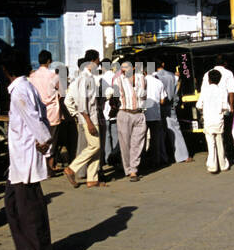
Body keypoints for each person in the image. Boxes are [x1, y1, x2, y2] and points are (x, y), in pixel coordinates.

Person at [2, 55, 54, 250]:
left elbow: (35, 118)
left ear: (6, 70)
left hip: (27, 160)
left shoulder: (21, 91)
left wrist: (45, 143)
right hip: (18, 161)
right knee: (12, 204)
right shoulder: (22, 88)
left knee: (31, 211)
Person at [63, 50, 104, 188]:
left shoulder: (90, 77)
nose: (99, 63)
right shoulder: (84, 78)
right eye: (98, 60)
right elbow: (82, 103)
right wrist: (88, 121)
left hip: (93, 117)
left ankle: (92, 179)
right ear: (93, 60)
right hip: (89, 118)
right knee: (94, 146)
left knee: (96, 148)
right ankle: (71, 168)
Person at [28, 49, 65, 173]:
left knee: (39, 138)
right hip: (52, 112)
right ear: (49, 61)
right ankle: (50, 165)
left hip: (37, 112)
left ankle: (41, 166)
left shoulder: (32, 77)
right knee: (52, 139)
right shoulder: (53, 76)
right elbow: (62, 93)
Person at [112, 59, 146, 182]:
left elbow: (144, 94)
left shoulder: (141, 78)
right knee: (125, 144)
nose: (124, 69)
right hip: (124, 113)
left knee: (137, 143)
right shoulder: (118, 80)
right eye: (122, 67)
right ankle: (128, 168)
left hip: (139, 113)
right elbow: (115, 99)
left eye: (126, 66)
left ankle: (133, 170)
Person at [156, 58, 191, 164]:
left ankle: (162, 158)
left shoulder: (153, 77)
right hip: (169, 106)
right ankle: (183, 156)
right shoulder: (171, 76)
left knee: (159, 133)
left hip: (156, 107)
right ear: (163, 63)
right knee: (175, 131)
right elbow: (176, 91)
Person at [197, 68, 231, 173]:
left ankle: (212, 166)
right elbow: (225, 107)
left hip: (208, 120)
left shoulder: (205, 91)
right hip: (218, 120)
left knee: (210, 144)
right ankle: (223, 165)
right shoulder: (222, 91)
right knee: (220, 143)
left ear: (209, 80)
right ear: (219, 80)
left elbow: (198, 105)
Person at [142, 63, 168, 169]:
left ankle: (142, 161)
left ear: (144, 72)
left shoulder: (142, 82)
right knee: (155, 139)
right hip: (156, 114)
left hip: (143, 113)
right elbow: (162, 100)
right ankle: (155, 160)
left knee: (141, 139)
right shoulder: (159, 82)